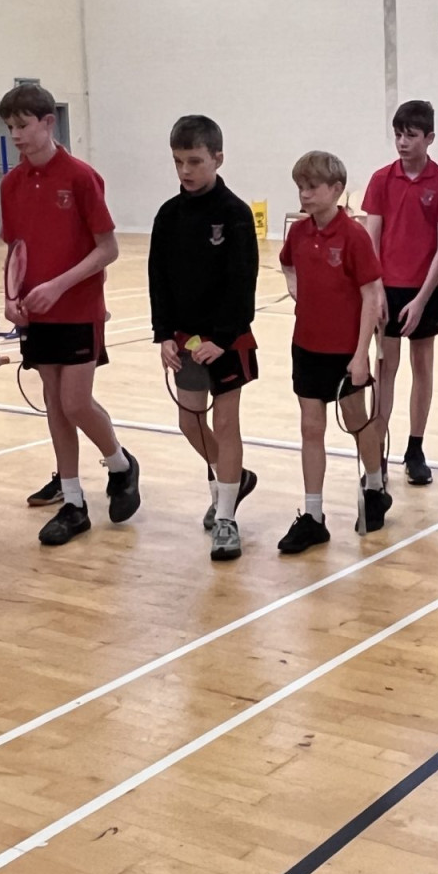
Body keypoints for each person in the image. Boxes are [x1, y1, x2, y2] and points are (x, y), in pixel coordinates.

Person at [0, 84, 140, 546]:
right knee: (55, 406)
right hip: (36, 317)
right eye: (10, 128)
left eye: (23, 125)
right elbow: (16, 249)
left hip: (78, 308)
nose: (16, 135)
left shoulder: (81, 177)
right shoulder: (11, 184)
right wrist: (11, 297)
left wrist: (58, 285)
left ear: (47, 123)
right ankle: (75, 502)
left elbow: (108, 248)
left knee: (76, 402)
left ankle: (119, 464)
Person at [148, 114, 259, 563]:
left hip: (227, 341)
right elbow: (159, 278)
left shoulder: (234, 214)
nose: (185, 171)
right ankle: (235, 479)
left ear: (217, 158)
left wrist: (223, 336)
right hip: (184, 340)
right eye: (178, 162)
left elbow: (242, 281)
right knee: (189, 421)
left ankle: (227, 515)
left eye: (194, 161)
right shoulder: (168, 215)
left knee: (227, 423)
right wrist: (163, 335)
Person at [276, 151, 388, 553]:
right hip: (306, 345)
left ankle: (375, 487)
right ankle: (313, 515)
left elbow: (372, 295)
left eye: (312, 187)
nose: (304, 195)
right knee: (311, 428)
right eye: (300, 187)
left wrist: (361, 354)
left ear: (336, 190)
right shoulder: (299, 234)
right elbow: (286, 263)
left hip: (345, 350)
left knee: (358, 422)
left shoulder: (354, 236)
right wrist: (295, 288)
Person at [363, 100, 438, 489]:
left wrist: (421, 299)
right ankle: (378, 450)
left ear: (429, 138)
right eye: (398, 134)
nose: (402, 142)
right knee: (385, 369)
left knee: (423, 368)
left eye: (411, 135)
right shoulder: (381, 179)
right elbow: (371, 238)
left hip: (426, 290)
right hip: (387, 288)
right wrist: (376, 290)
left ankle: (415, 449)